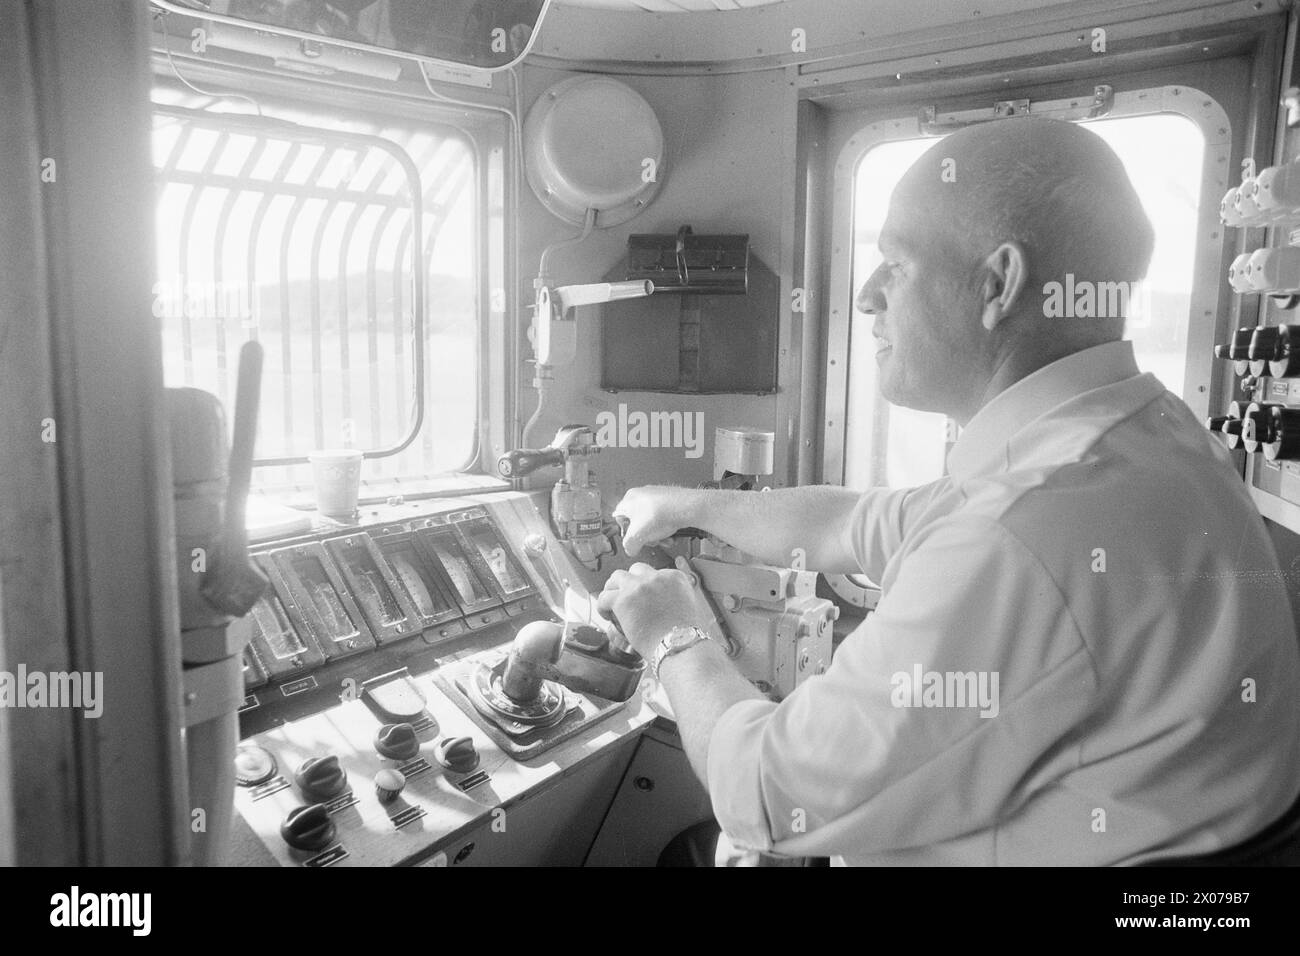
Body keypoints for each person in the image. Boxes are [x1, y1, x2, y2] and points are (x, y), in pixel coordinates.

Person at [597, 116, 1300, 865]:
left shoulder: (1026, 531)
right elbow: (855, 523)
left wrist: (674, 634)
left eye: (894, 264)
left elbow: (767, 797)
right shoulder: (1134, 431)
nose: (867, 296)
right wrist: (686, 504)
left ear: (997, 284)